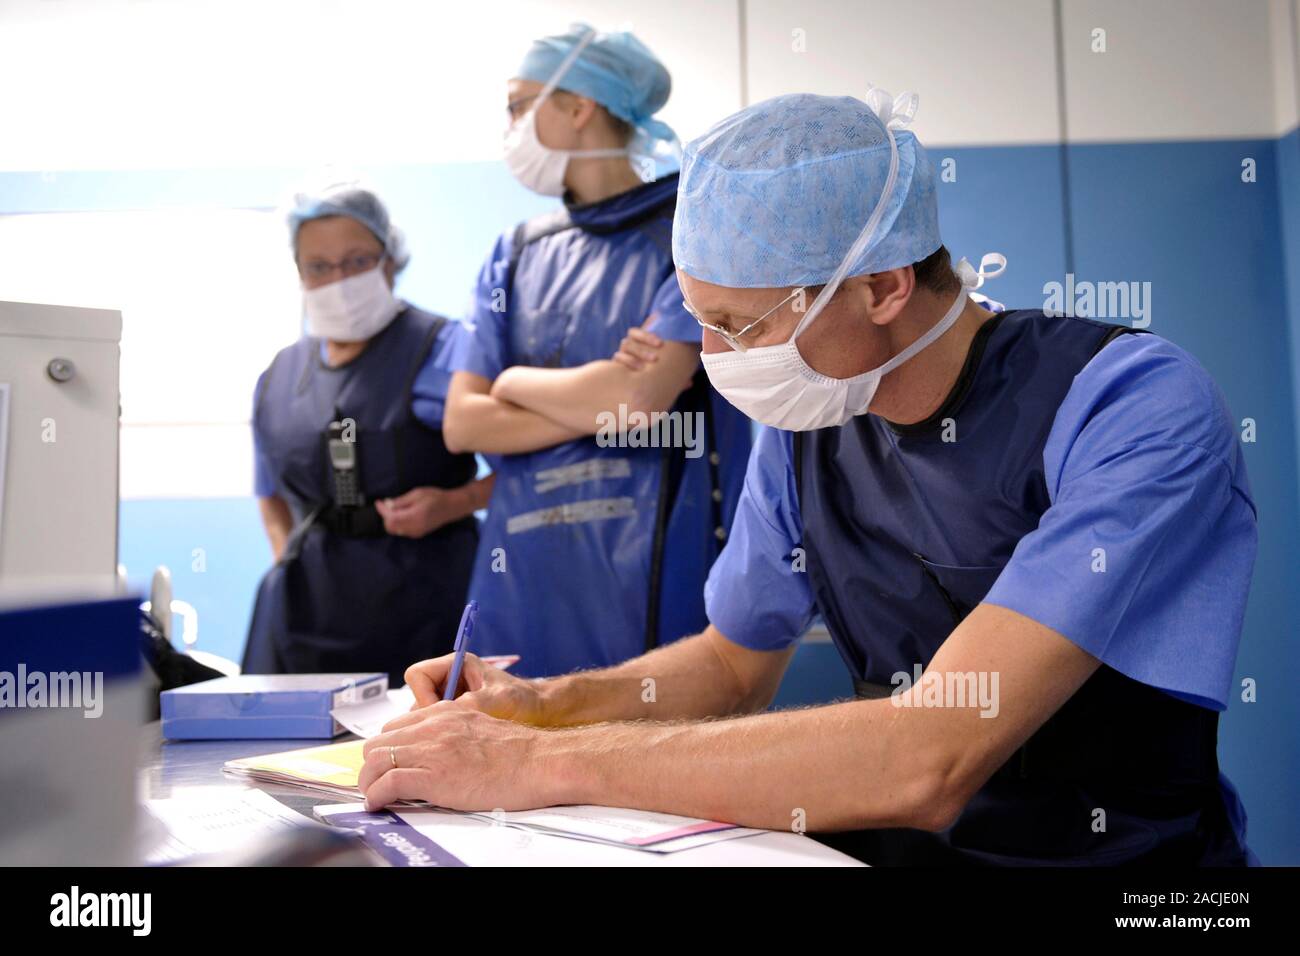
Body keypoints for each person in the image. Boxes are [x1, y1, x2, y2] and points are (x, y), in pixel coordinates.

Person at [358, 91, 1257, 866]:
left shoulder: (1128, 404)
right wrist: (539, 707)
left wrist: (538, 765)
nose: (712, 362)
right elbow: (729, 664)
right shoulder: (813, 421)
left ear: (883, 289)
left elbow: (930, 755)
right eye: (699, 322)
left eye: (738, 327)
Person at [442, 25, 752, 677]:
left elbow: (637, 400)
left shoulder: (690, 224)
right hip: (524, 578)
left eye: (519, 105)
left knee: (652, 755)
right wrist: (601, 392)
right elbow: (461, 422)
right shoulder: (517, 252)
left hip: (662, 564)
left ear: (578, 105)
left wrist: (513, 381)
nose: (511, 126)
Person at [243, 179, 492, 685]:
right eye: (319, 266)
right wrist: (290, 564)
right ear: (300, 274)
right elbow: (269, 493)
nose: (339, 278)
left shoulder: (444, 351)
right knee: (283, 757)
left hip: (424, 599)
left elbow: (527, 467)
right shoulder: (280, 375)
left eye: (357, 261)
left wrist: (454, 503)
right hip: (304, 615)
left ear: (389, 260)